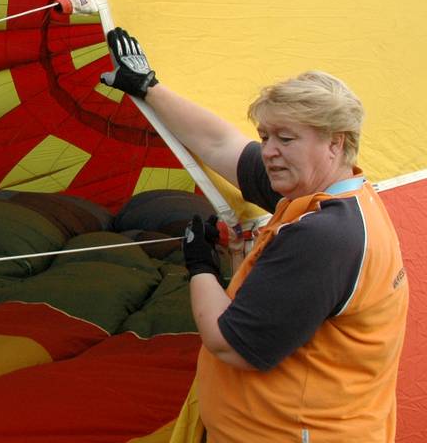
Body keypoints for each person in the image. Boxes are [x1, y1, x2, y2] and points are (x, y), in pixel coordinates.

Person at [99, 27, 407, 442]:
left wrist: (201, 266)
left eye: (286, 139)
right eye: (265, 137)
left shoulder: (324, 235)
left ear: (335, 143)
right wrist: (147, 87)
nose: (269, 151)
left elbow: (229, 344)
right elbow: (218, 144)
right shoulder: (330, 196)